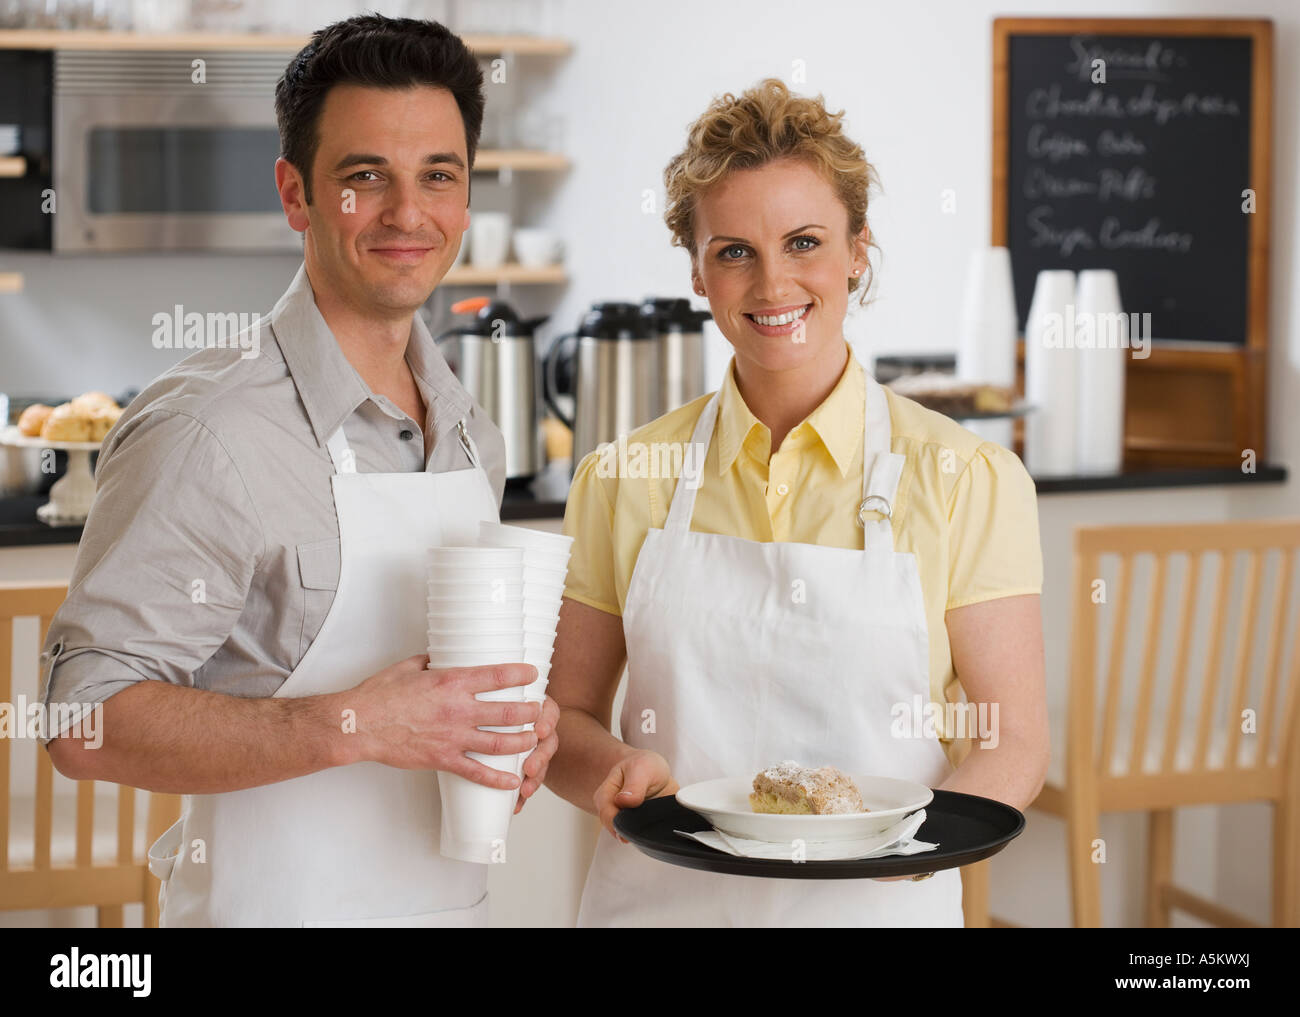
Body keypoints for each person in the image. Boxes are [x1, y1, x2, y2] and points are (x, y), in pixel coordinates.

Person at [38, 14, 558, 928]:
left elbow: (441, 697)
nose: (408, 214)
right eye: (366, 178)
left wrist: (507, 730)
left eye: (438, 175)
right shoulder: (208, 430)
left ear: (467, 198)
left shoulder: (472, 432)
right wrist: (353, 723)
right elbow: (84, 721)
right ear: (295, 193)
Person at [544, 78, 1049, 927]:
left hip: (879, 910)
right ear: (699, 272)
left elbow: (1015, 741)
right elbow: (565, 717)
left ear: (858, 250)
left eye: (805, 241)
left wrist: (912, 848)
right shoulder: (625, 476)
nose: (772, 282)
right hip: (662, 907)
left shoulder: (970, 479)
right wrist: (614, 768)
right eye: (734, 249)